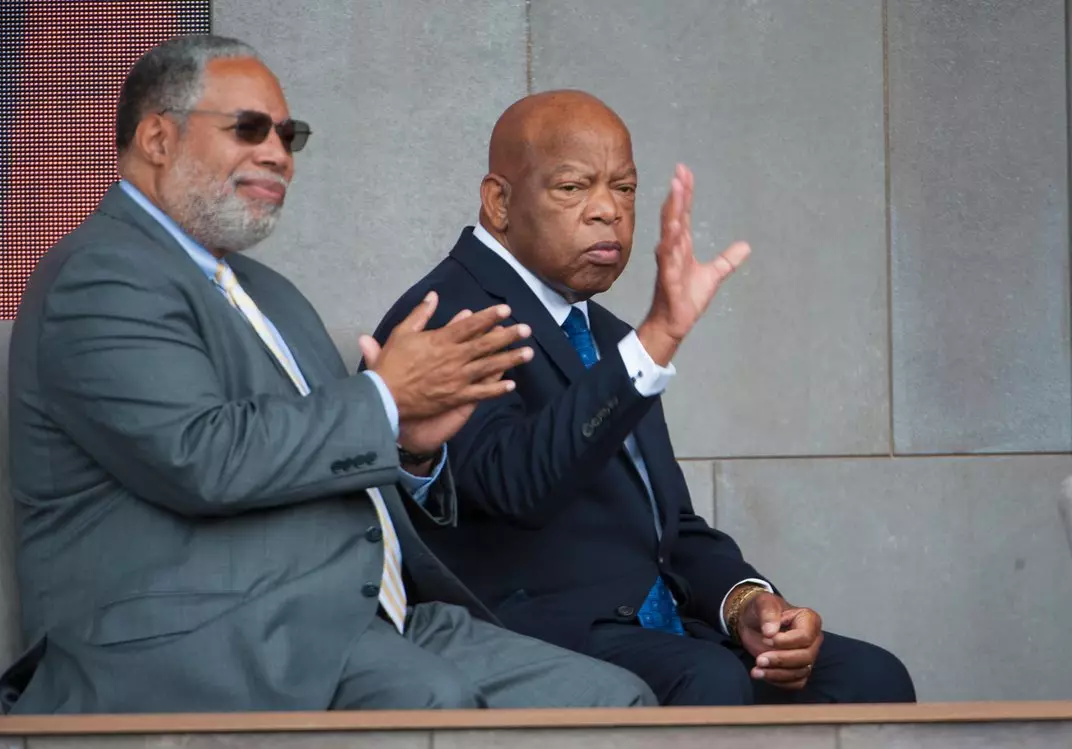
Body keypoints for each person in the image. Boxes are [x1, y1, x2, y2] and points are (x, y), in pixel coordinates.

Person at [0, 39, 657, 714]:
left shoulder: (270, 291)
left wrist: (412, 444)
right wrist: (384, 400)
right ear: (157, 137)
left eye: (289, 135)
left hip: (356, 621)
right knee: (427, 699)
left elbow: (333, 446)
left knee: (615, 697)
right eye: (248, 129)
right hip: (193, 639)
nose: (278, 154)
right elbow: (201, 456)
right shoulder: (102, 277)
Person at [372, 90, 916, 706]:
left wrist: (749, 604)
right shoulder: (448, 318)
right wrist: (657, 340)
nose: (607, 211)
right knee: (710, 679)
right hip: (536, 636)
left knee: (870, 677)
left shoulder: (606, 333)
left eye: (624, 188)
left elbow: (670, 527)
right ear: (499, 202)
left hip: (661, 626)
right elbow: (513, 485)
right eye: (574, 187)